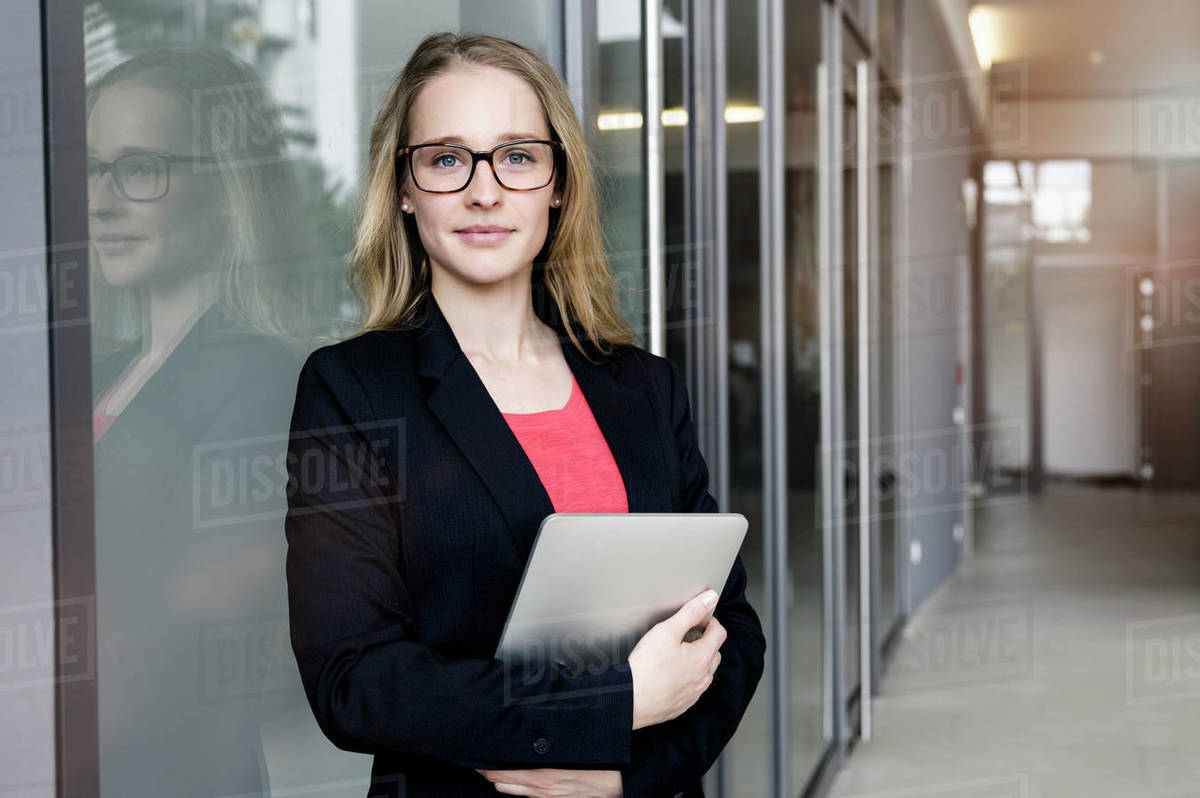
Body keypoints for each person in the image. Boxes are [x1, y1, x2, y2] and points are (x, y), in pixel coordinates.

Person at [284, 32, 766, 798]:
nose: (484, 191)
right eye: (446, 159)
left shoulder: (642, 388)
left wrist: (623, 777)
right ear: (405, 188)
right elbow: (355, 678)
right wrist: (607, 709)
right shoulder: (353, 391)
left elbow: (731, 632)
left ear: (558, 184)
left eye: (517, 156)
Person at [86, 46, 312, 796]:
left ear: (228, 188)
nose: (100, 200)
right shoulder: (92, 376)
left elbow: (195, 641)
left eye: (140, 169)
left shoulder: (261, 380)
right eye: (91, 168)